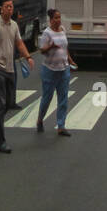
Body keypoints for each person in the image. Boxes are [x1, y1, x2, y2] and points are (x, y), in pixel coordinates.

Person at [0, 0, 35, 154]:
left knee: (8, 104)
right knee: (1, 105)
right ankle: (1, 142)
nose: (9, 9)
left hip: (10, 68)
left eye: (11, 7)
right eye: (7, 6)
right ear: (1, 9)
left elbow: (19, 43)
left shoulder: (14, 25)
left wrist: (28, 57)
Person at [36, 8, 77, 137]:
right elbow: (42, 51)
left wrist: (70, 61)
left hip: (64, 69)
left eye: (59, 17)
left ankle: (61, 126)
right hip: (50, 70)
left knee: (63, 98)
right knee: (47, 98)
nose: (58, 20)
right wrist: (51, 47)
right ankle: (40, 119)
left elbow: (65, 48)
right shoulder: (47, 33)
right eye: (56, 18)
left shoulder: (63, 30)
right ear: (50, 19)